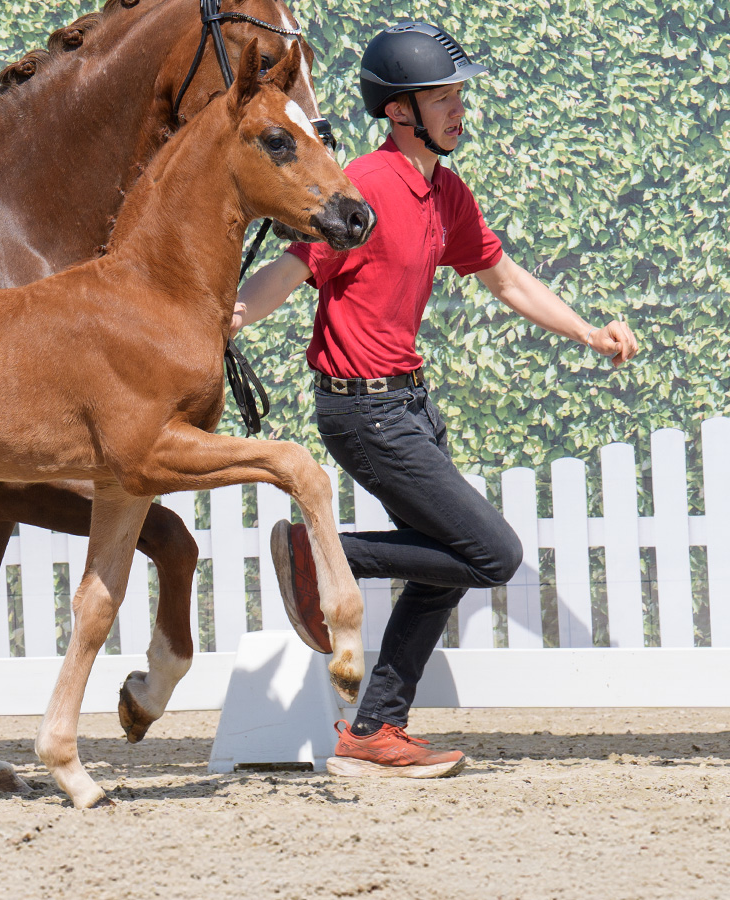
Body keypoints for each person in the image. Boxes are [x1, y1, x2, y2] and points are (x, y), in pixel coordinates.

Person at [234, 22, 639, 778]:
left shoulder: (443, 191)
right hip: (365, 411)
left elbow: (506, 278)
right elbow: (295, 266)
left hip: (409, 407)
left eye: (458, 96)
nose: (459, 110)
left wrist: (588, 333)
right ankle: (325, 556)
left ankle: (374, 731)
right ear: (399, 112)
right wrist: (230, 316)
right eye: (443, 97)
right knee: (491, 553)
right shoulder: (369, 182)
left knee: (443, 565)